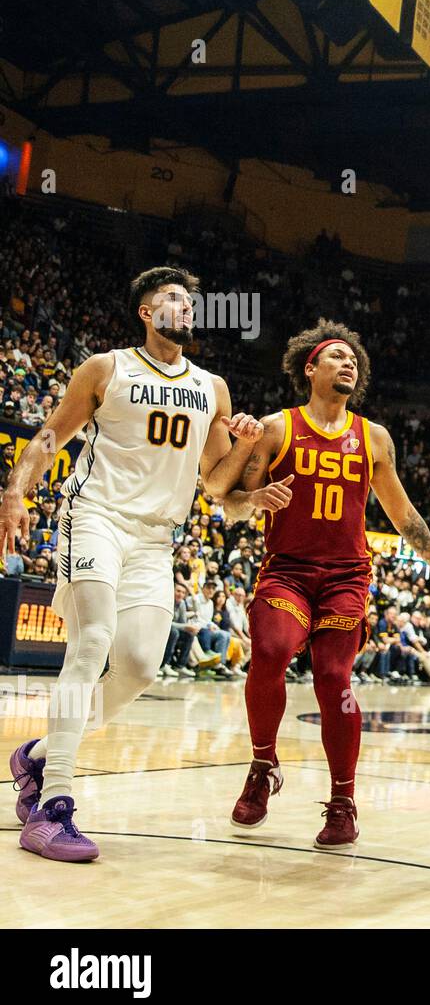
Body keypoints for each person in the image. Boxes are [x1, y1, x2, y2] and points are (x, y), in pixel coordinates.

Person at [4, 266, 288, 862]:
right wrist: (15, 492)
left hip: (157, 539)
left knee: (136, 667)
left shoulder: (213, 388)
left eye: (190, 301)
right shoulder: (106, 368)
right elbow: (49, 437)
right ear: (146, 312)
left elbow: (214, 485)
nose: (185, 307)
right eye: (172, 299)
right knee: (92, 644)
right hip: (96, 517)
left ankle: (33, 758)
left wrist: (245, 466)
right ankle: (53, 805)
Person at [205, 321, 430, 850]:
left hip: (346, 577)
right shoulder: (276, 428)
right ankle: (263, 766)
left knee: (334, 681)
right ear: (310, 367)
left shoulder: (374, 438)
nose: (348, 362)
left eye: (354, 358)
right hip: (288, 570)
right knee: (270, 649)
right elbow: (229, 499)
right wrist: (254, 501)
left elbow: (402, 514)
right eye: (336, 356)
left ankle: (343, 802)